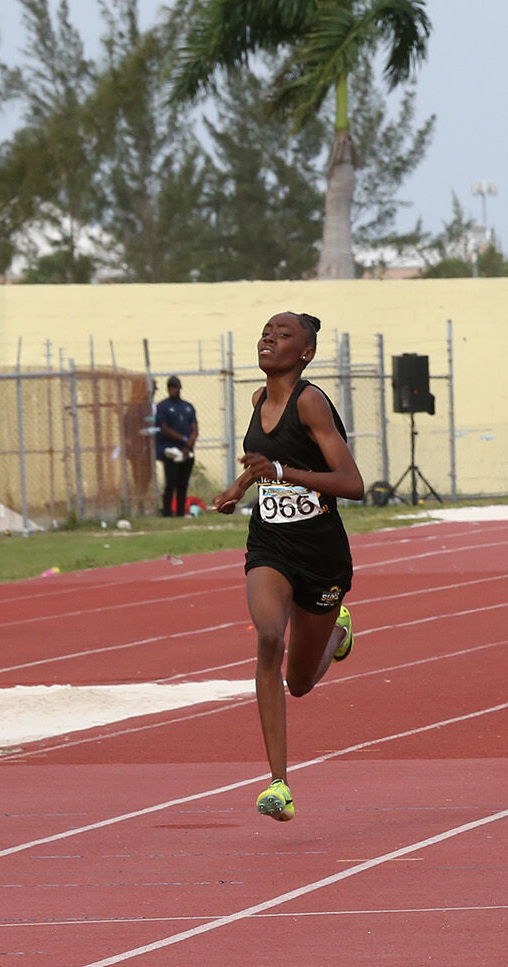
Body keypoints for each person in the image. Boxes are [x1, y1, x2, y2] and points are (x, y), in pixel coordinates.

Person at [211, 312, 362, 823]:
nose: (269, 340)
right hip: (270, 544)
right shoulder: (258, 401)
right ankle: (278, 783)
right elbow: (259, 466)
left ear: (305, 353)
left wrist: (284, 472)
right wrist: (237, 490)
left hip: (321, 554)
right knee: (268, 637)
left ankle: (335, 633)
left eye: (283, 336)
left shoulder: (311, 401)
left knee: (298, 683)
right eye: (265, 333)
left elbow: (352, 483)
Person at [154, 375, 198, 517]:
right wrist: (183, 439)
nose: (173, 390)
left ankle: (180, 511)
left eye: (175, 387)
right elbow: (164, 428)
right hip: (171, 449)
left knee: (183, 483)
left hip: (186, 450)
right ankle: (167, 511)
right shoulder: (163, 406)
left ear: (179, 388)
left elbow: (194, 427)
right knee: (171, 482)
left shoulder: (187, 406)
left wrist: (189, 443)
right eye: (170, 387)